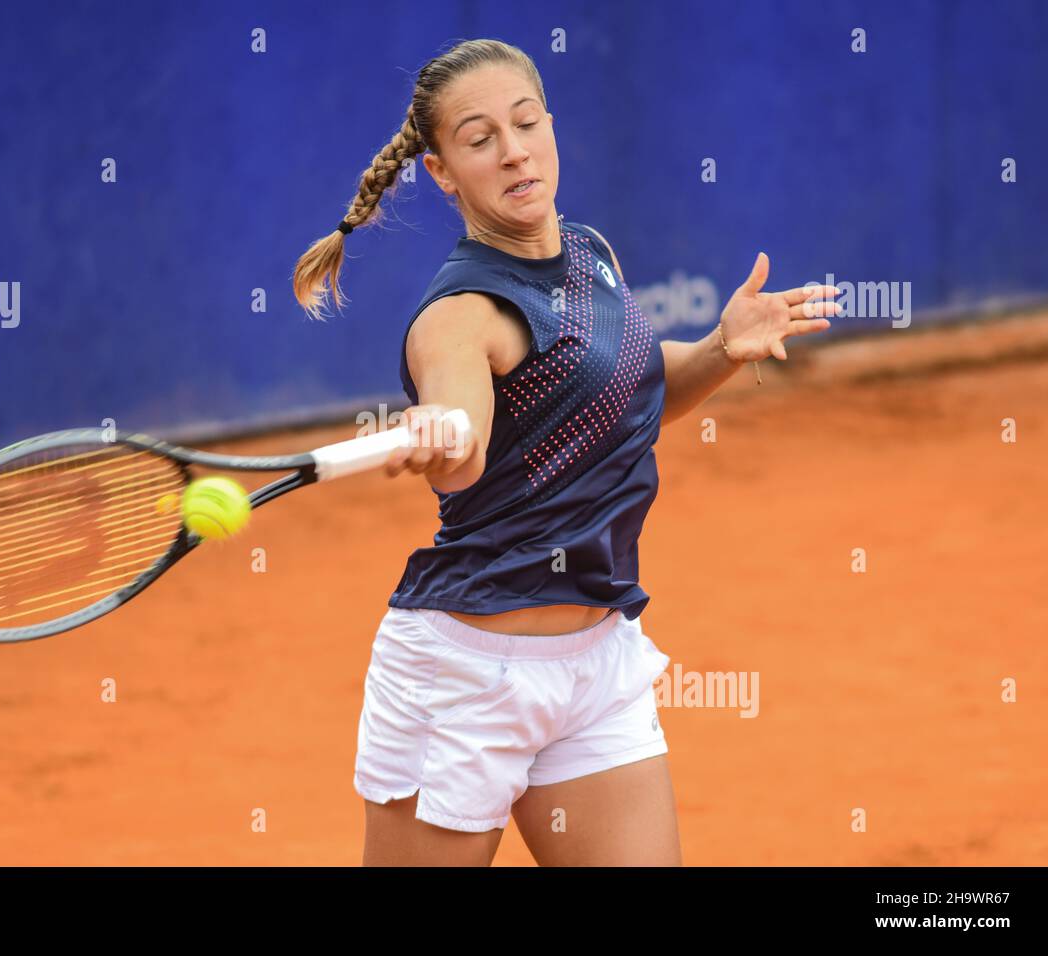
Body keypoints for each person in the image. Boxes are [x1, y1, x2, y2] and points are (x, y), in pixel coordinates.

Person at [292, 38, 837, 866]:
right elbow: (463, 445)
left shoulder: (590, 254)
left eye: (526, 123)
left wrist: (723, 348)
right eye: (479, 140)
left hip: (596, 666)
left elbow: (637, 400)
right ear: (442, 172)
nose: (513, 151)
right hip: (466, 680)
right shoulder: (459, 316)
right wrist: (443, 439)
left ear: (551, 125)